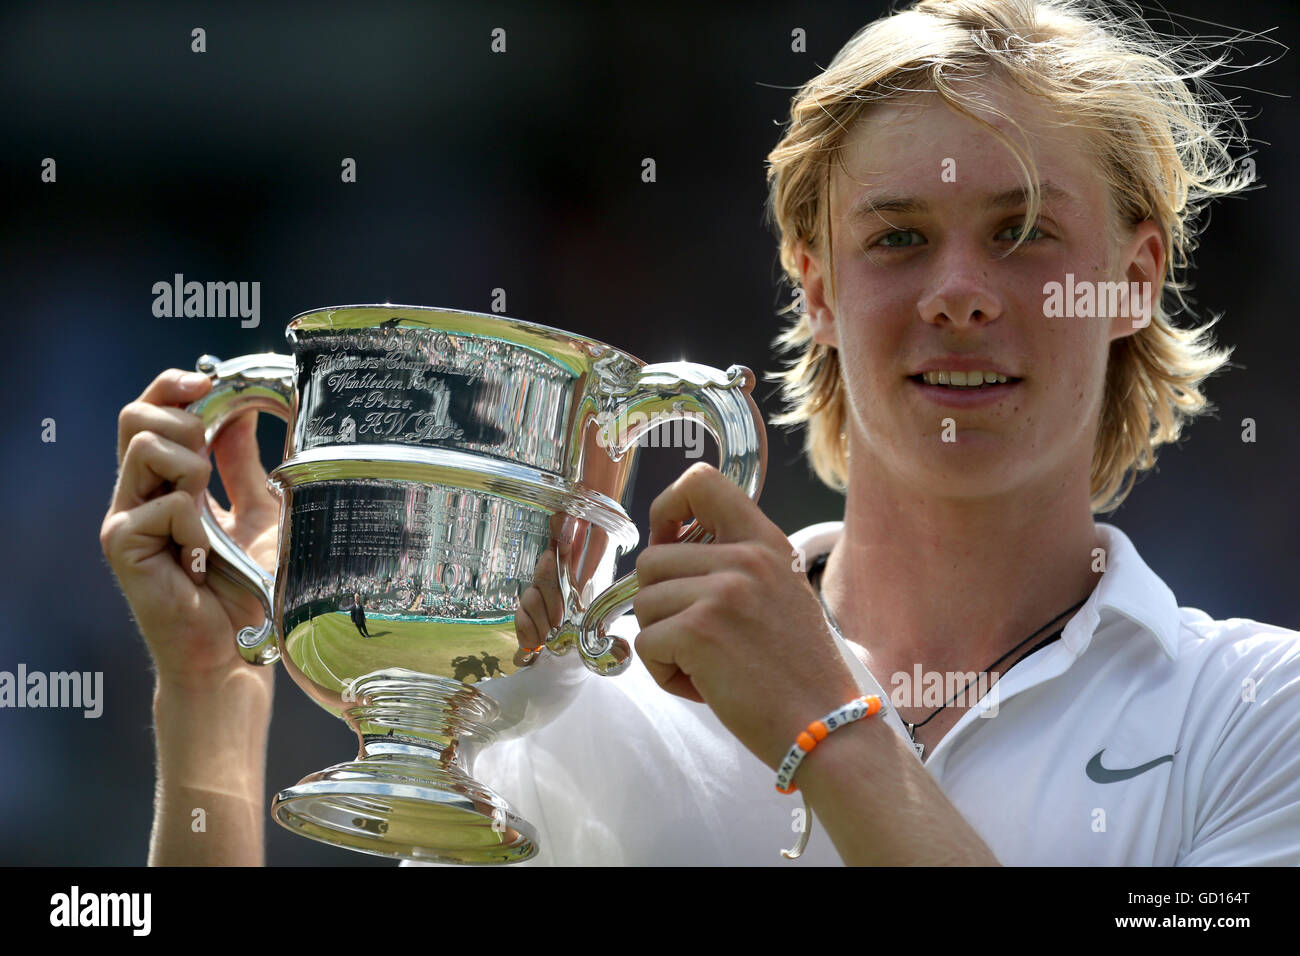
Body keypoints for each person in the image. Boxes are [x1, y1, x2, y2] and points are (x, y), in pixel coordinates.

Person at [101, 0, 1299, 867]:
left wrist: (821, 724)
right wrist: (211, 705)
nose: (959, 292)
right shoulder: (566, 699)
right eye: (893, 239)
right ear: (814, 285)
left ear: (1135, 275)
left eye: (1024, 229)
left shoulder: (1254, 715)